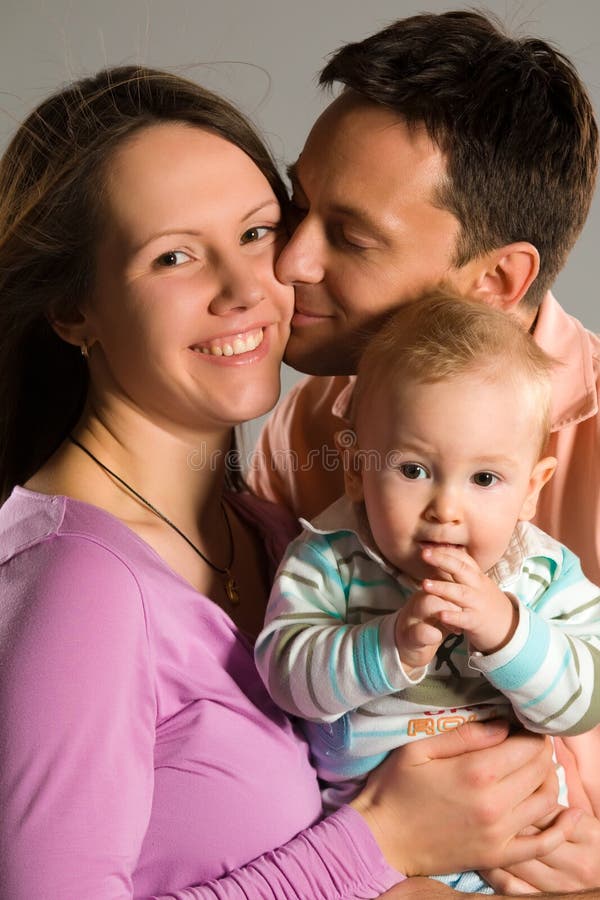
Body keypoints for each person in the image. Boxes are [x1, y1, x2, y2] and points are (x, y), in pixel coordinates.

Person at [0, 63, 574, 900]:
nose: (253, 289)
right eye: (174, 256)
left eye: (259, 231)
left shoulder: (278, 532)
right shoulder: (78, 585)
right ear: (74, 309)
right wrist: (377, 844)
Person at [248, 10, 600, 895]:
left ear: (494, 284)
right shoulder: (312, 425)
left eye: (351, 237)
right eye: (299, 206)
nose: (290, 260)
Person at [255, 294, 600, 895]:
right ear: (356, 470)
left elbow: (585, 700)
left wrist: (508, 630)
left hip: (527, 853)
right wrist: (387, 647)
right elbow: (285, 673)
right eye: (413, 470)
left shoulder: (542, 574)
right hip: (389, 862)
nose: (447, 509)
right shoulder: (328, 559)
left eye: (485, 479)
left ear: (530, 490)